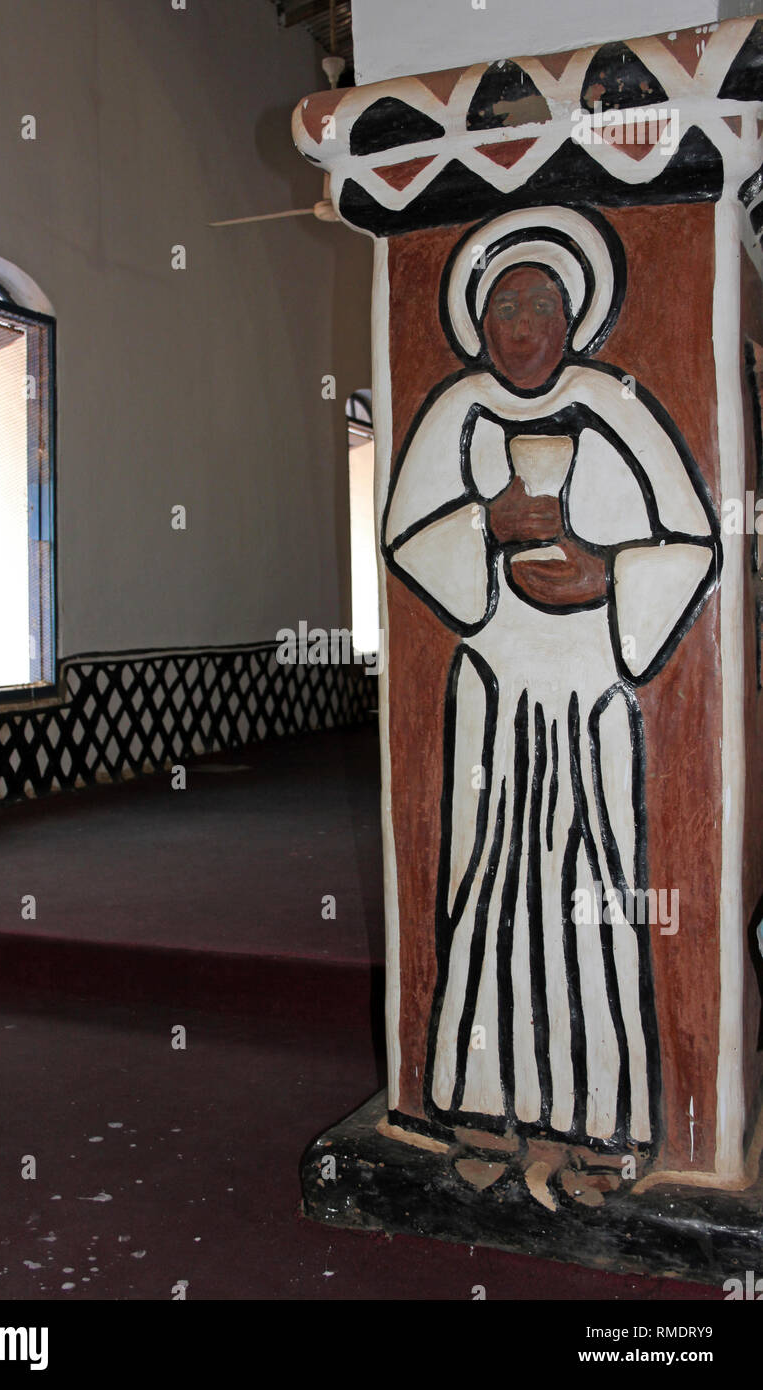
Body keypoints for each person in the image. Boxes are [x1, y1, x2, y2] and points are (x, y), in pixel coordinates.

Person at [381, 207, 718, 1194]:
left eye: (536, 305)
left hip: (591, 690)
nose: (517, 326)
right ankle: (482, 1107)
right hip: (493, 686)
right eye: (499, 309)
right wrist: (485, 526)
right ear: (478, 325)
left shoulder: (612, 402)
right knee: (483, 887)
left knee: (594, 889)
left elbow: (693, 541)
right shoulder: (455, 413)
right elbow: (407, 538)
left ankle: (597, 1122)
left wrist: (610, 576)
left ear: (572, 317)